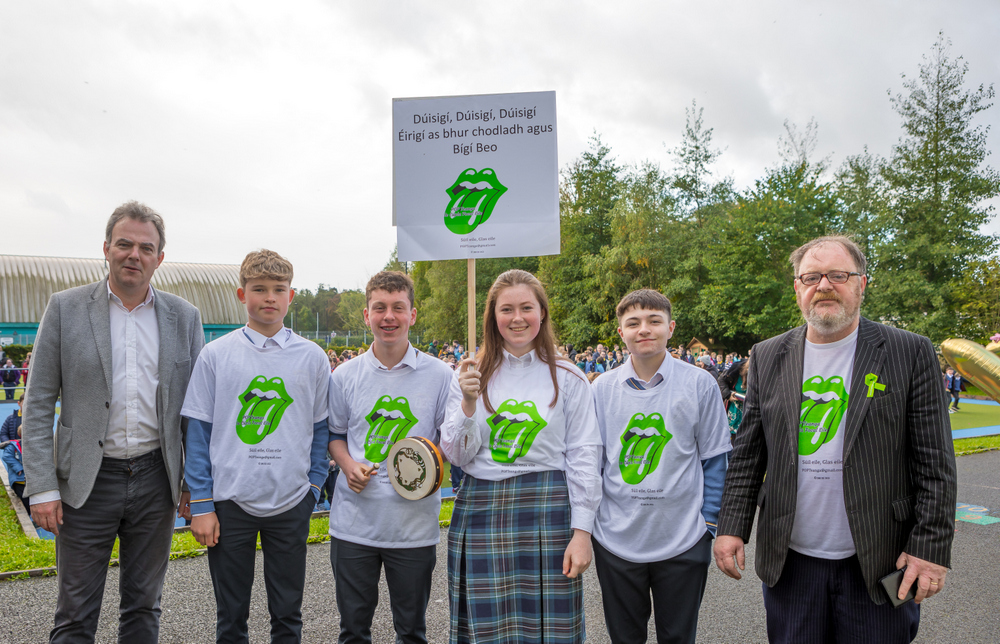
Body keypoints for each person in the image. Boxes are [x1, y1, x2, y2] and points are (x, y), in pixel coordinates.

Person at [714, 235, 956, 643]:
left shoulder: (909, 352)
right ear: (797, 288)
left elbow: (935, 463)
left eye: (838, 275)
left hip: (879, 557)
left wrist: (929, 548)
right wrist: (731, 526)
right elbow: (748, 455)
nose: (823, 285)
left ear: (862, 283)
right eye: (811, 276)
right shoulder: (769, 355)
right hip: (790, 561)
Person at [22, 201, 204, 643]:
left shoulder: (184, 317)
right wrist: (42, 486)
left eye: (146, 247)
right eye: (124, 244)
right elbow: (39, 401)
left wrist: (194, 486)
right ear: (106, 248)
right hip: (86, 482)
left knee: (144, 608)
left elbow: (197, 412)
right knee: (75, 613)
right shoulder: (64, 308)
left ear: (160, 258)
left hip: (155, 479)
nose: (134, 255)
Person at [441, 269, 601, 644]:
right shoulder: (469, 374)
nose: (517, 318)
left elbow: (584, 457)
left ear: (542, 313)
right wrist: (467, 402)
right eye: (506, 309)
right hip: (481, 508)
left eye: (526, 307)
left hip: (548, 510)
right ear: (492, 317)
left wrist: (582, 533)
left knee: (548, 630)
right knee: (487, 632)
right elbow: (459, 457)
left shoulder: (569, 376)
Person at [181, 249, 329, 643]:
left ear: (291, 296)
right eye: (259, 289)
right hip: (231, 503)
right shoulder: (215, 355)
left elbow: (320, 430)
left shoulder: (312, 358)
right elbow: (197, 433)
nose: (269, 297)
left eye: (278, 289)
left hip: (291, 501)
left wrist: (312, 490)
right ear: (240, 294)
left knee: (287, 615)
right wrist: (202, 503)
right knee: (231, 617)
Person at [592, 289, 731, 644]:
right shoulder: (601, 389)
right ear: (620, 332)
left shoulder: (700, 384)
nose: (644, 329)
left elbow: (715, 459)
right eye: (633, 322)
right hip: (616, 539)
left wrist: (708, 527)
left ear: (670, 327)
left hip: (684, 538)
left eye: (654, 321)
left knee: (678, 637)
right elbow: (592, 462)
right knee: (625, 638)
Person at [327, 271, 455, 644]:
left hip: (413, 528)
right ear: (366, 315)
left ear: (412, 315)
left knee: (412, 633)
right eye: (379, 308)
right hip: (354, 524)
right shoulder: (345, 376)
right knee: (352, 631)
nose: (389, 316)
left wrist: (429, 464)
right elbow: (335, 436)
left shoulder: (439, 374)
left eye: (398, 308)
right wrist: (349, 466)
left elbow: (450, 442)